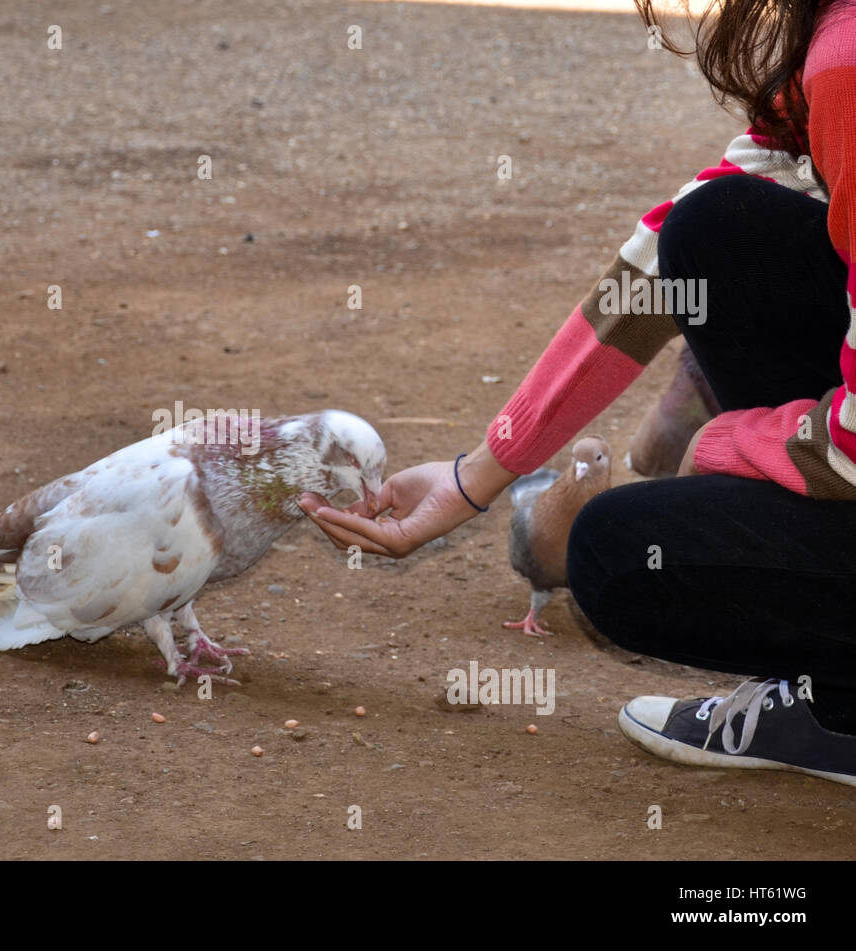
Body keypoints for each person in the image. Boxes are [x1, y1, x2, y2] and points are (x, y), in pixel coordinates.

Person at [300, 0, 856, 786]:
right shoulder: (830, 52)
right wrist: (479, 473)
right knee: (712, 231)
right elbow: (669, 250)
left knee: (615, 555)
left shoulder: (847, 61)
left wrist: (731, 444)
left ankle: (845, 701)